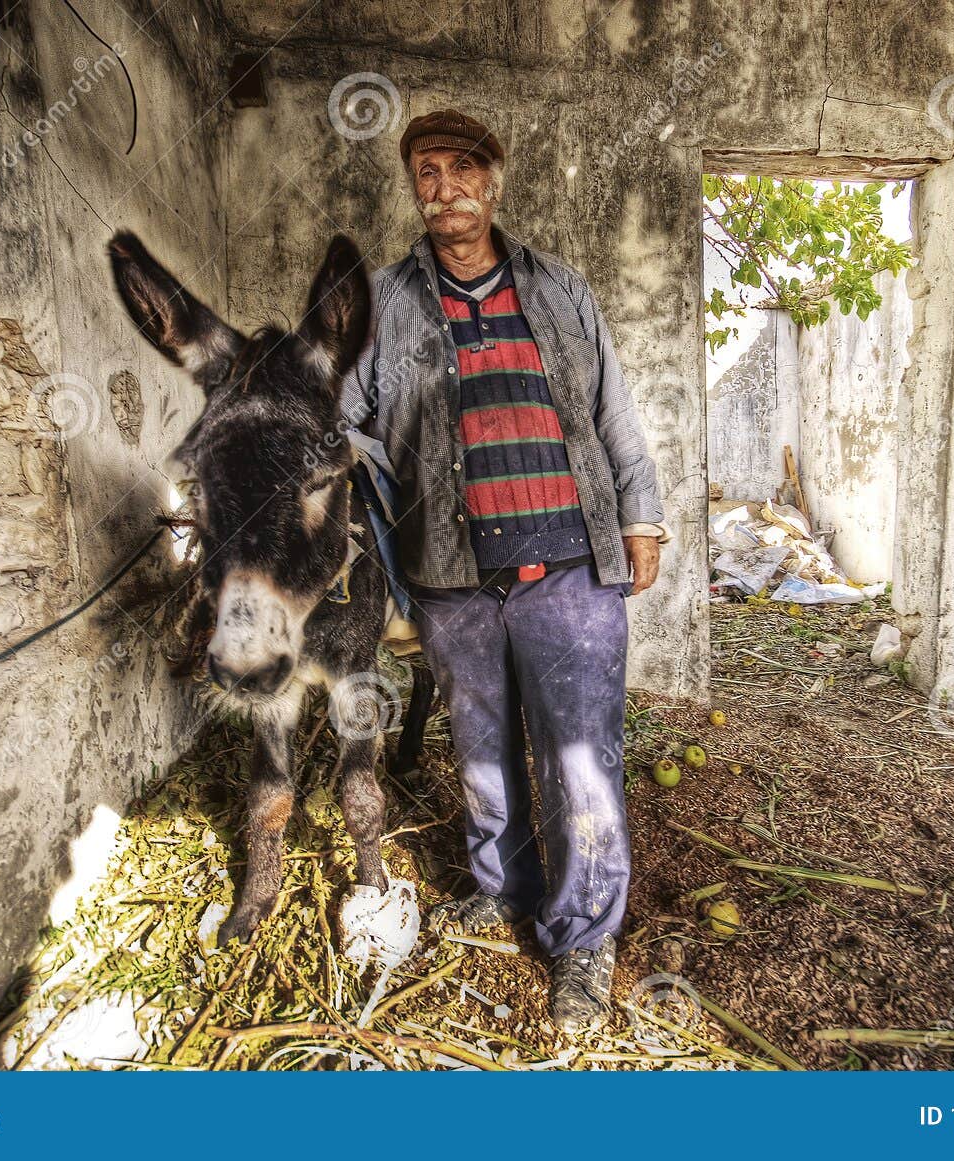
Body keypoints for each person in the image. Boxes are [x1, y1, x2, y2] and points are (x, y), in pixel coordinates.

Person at [340, 108, 670, 1033]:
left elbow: (616, 414)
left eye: (459, 168)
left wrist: (641, 518)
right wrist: (357, 460)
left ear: (492, 180)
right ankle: (504, 885)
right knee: (481, 746)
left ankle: (583, 937)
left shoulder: (560, 289)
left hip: (569, 559)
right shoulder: (384, 301)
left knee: (582, 760)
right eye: (425, 171)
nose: (442, 186)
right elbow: (343, 414)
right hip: (450, 567)